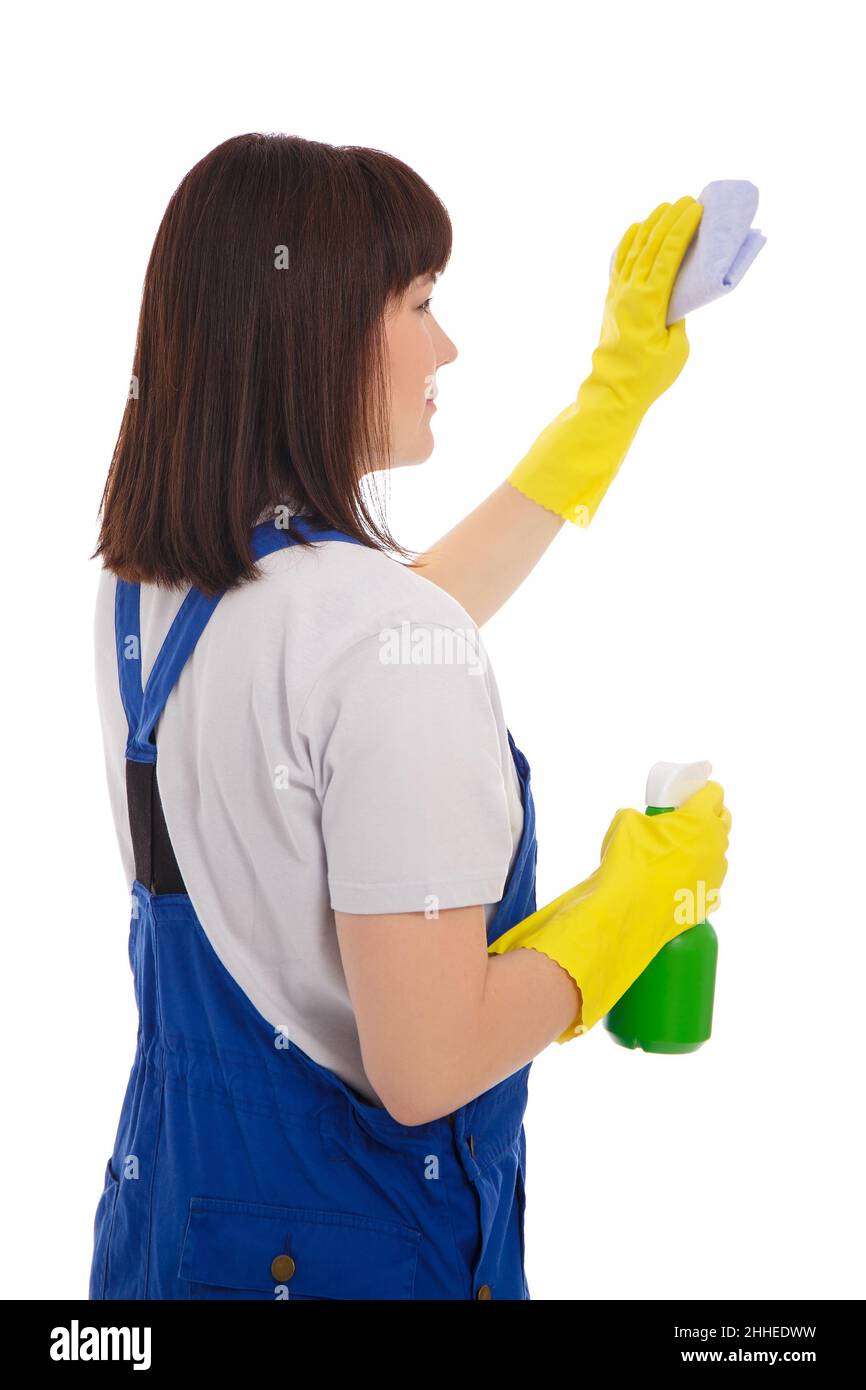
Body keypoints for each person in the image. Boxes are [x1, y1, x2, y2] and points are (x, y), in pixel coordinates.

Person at [89, 132, 731, 1300]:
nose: (447, 345)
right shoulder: (365, 638)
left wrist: (609, 402)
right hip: (363, 1255)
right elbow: (426, 1064)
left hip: (173, 1238)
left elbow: (364, 647)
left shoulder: (148, 593)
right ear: (321, 331)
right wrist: (632, 907)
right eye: (422, 303)